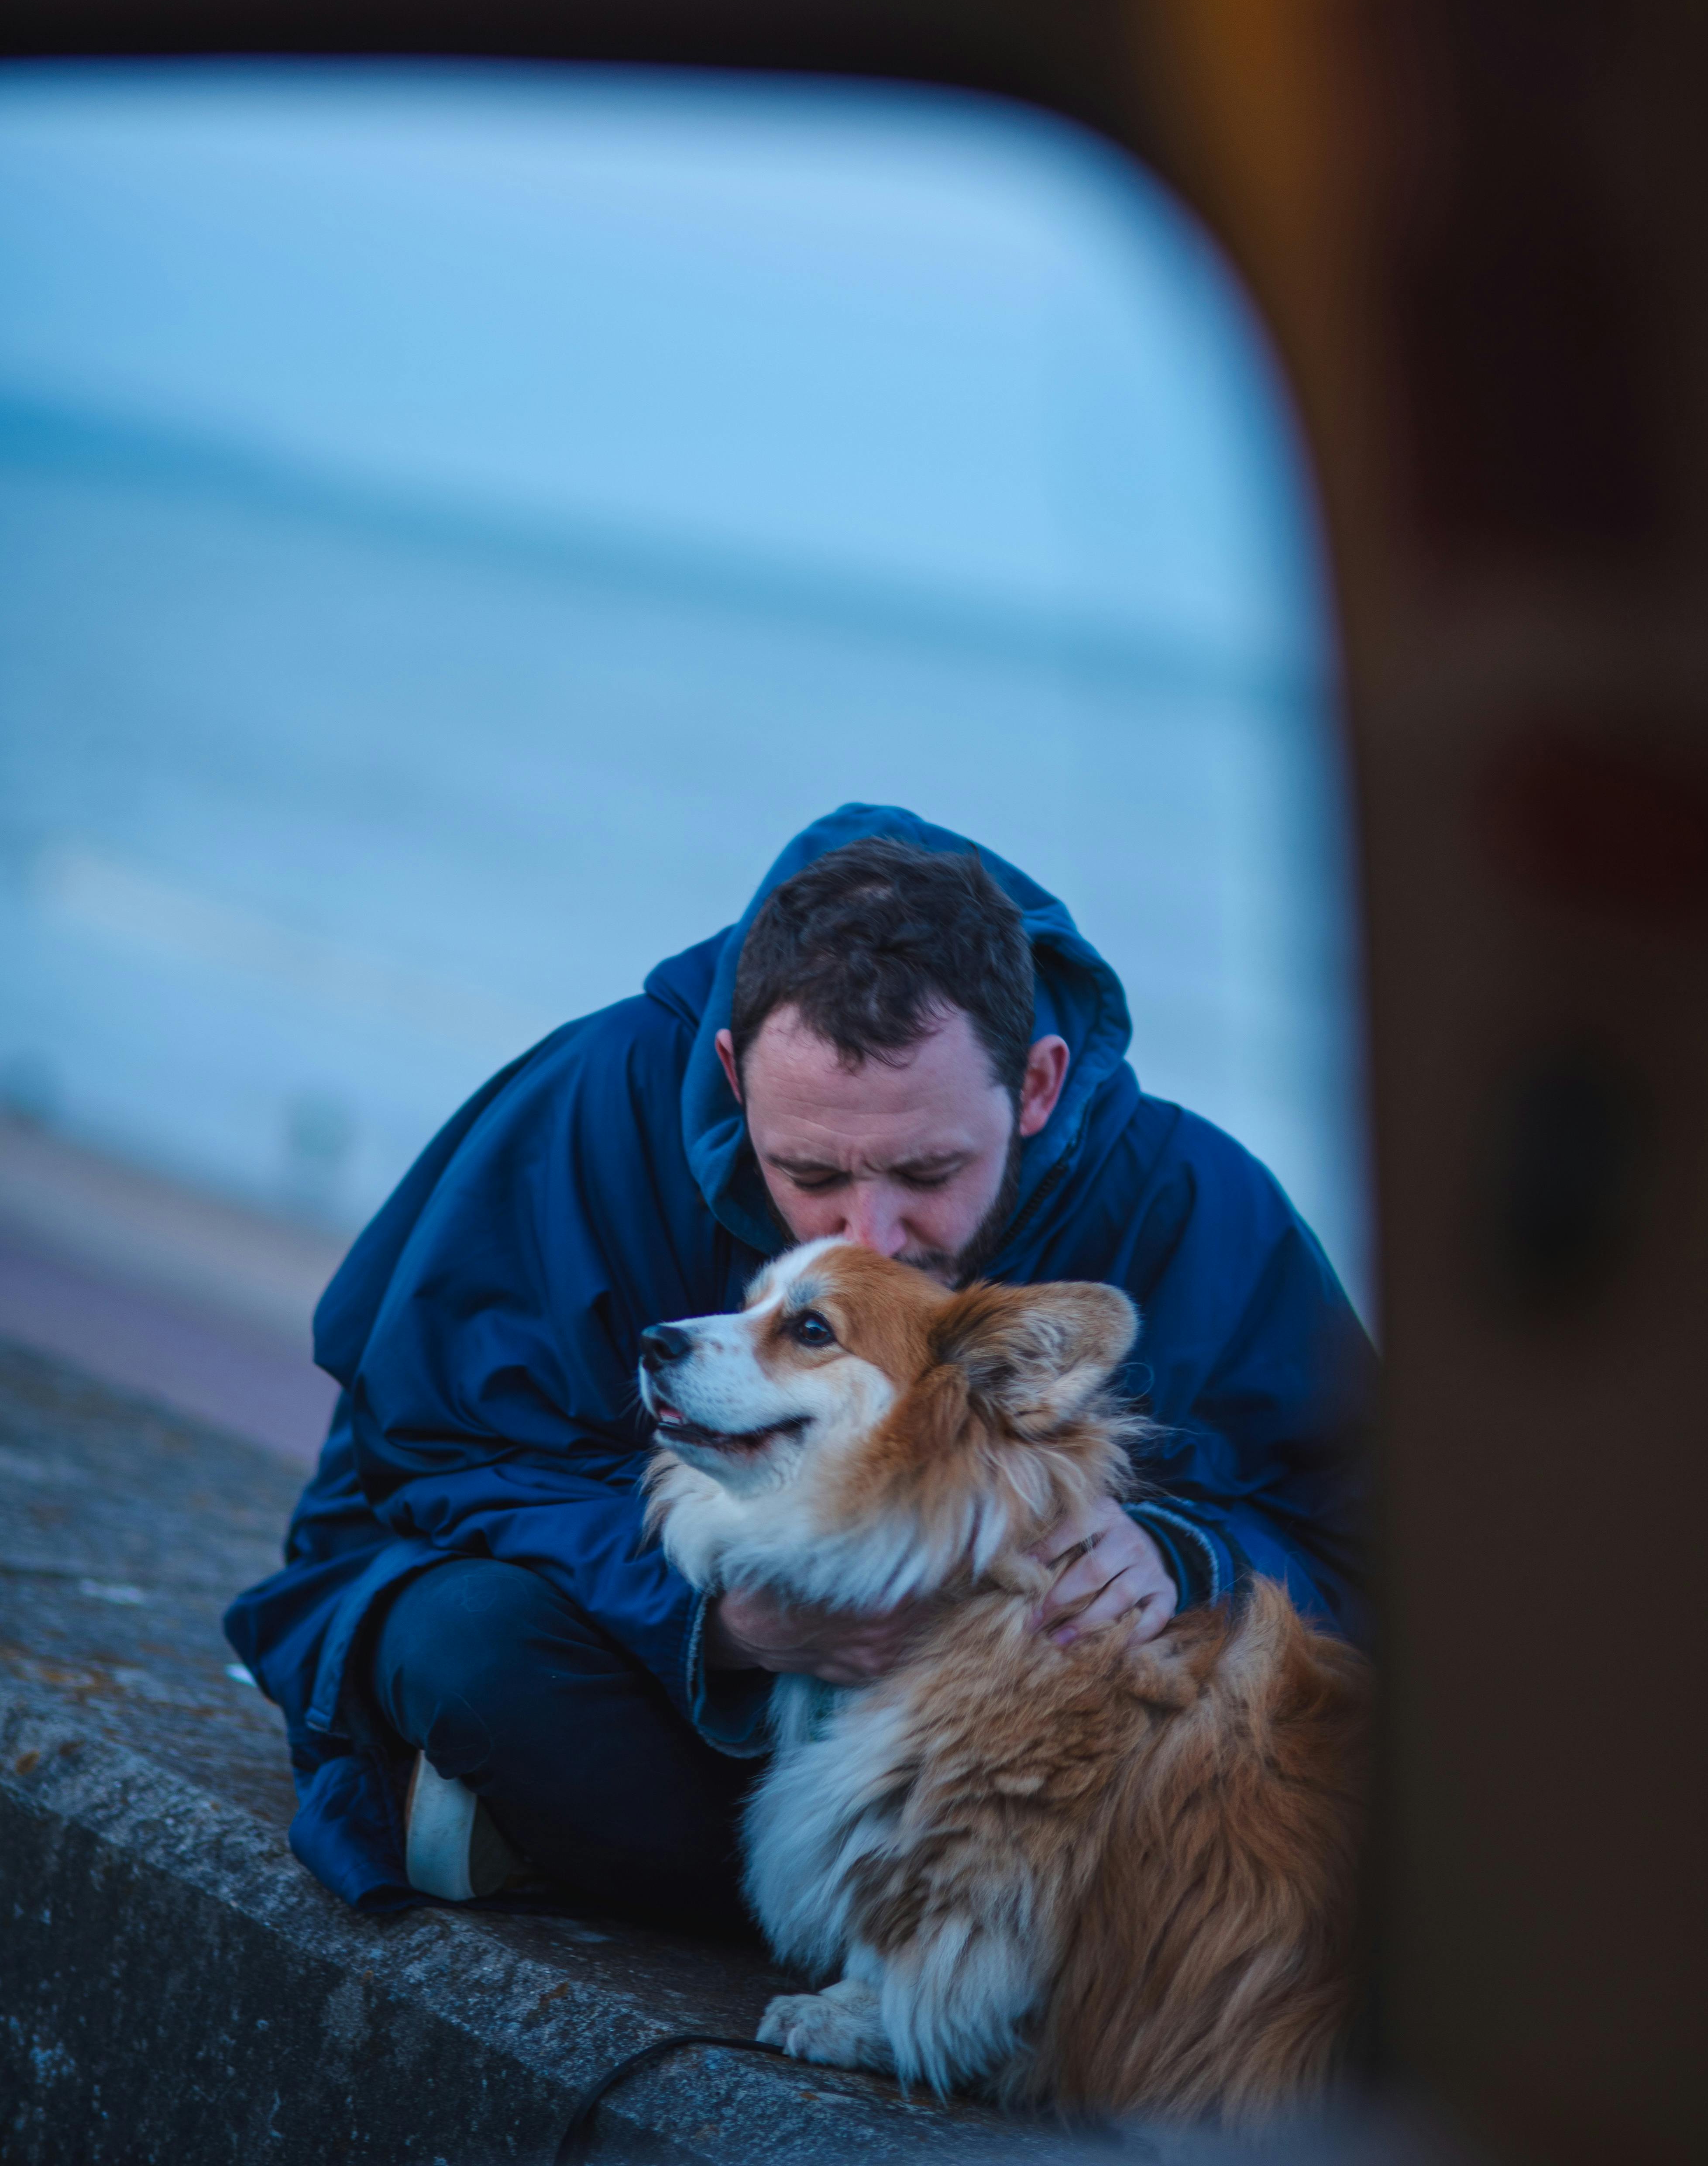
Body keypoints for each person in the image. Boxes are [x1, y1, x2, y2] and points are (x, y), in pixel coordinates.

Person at [226, 806, 1376, 1925]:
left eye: (926, 1173)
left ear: (1035, 1084)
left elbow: (1383, 1550)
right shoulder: (595, 1098)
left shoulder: (1195, 1199)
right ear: (733, 1071)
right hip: (660, 1676)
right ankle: (903, 1937)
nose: (866, 1238)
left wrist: (1187, 1554)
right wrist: (731, 1627)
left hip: (996, 1767)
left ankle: (624, 1861)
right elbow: (434, 1459)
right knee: (463, 1647)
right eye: (810, 1173)